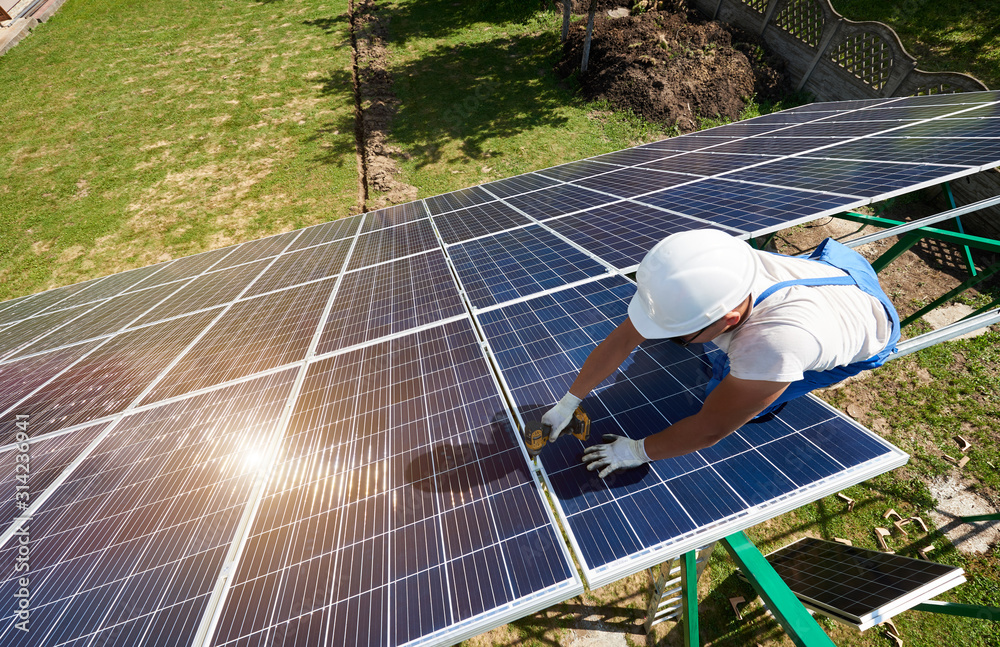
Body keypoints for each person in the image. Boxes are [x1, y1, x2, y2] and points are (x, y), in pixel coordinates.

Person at [541, 229, 900, 478]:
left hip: (866, 327)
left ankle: (764, 402)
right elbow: (622, 341)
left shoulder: (772, 349)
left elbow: (709, 429)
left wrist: (636, 451)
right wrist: (569, 401)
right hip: (833, 273)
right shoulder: (716, 265)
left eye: (678, 333)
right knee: (729, 366)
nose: (667, 336)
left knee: (731, 397)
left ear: (729, 320)